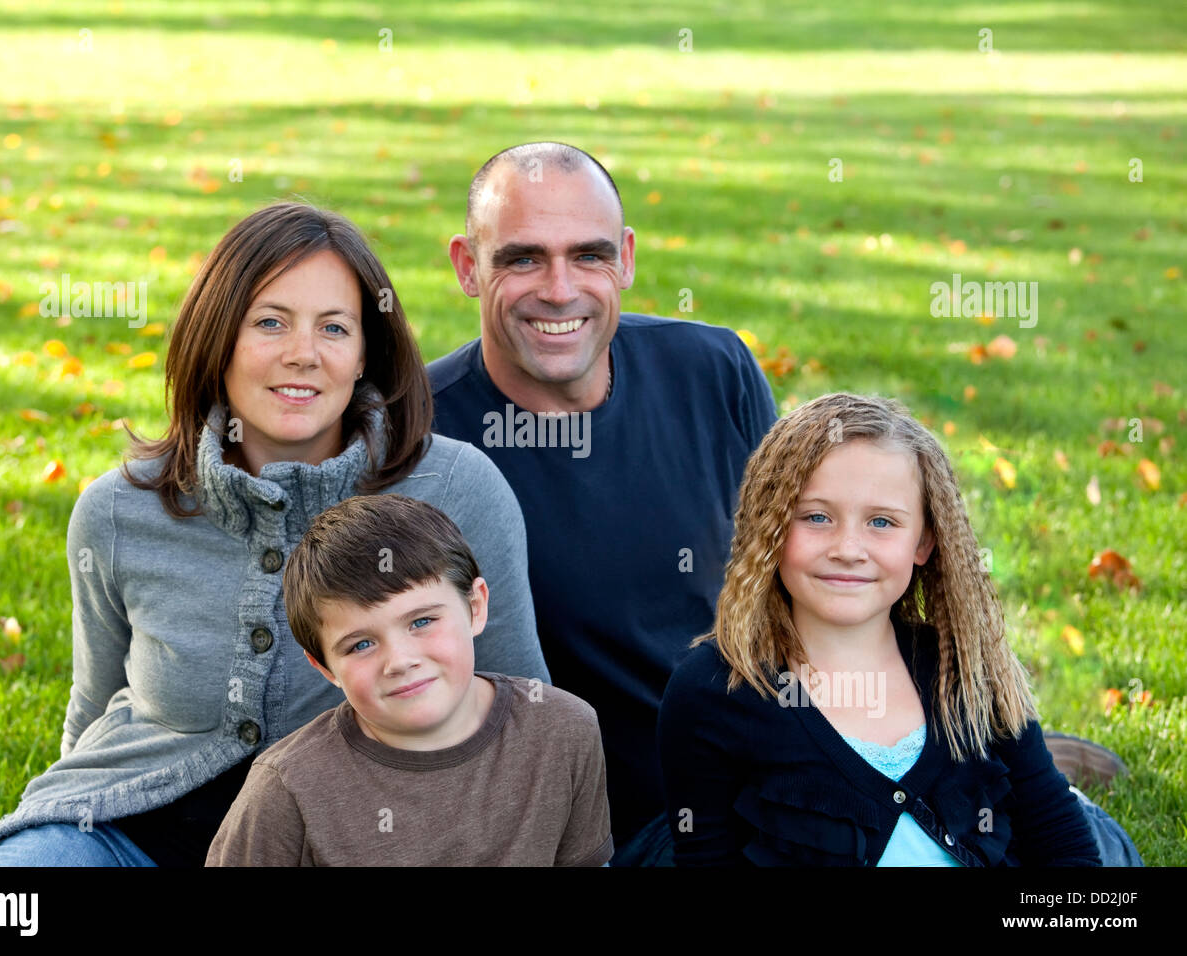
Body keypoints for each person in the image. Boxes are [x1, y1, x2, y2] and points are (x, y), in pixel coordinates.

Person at [0, 202, 548, 867]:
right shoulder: (119, 511)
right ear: (219, 341)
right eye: (270, 323)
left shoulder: (457, 487)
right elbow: (94, 711)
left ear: (363, 355)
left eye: (334, 327)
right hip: (132, 837)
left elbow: (523, 715)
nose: (303, 355)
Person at [428, 141, 779, 864]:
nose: (560, 290)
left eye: (588, 256)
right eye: (522, 259)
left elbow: (802, 588)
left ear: (625, 258)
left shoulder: (714, 370)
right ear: (468, 266)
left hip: (776, 778)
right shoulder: (420, 437)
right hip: (621, 835)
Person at [657, 392, 1142, 866]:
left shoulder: (969, 670)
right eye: (816, 516)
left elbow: (1064, 846)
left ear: (924, 541)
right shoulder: (713, 692)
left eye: (882, 522)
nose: (848, 547)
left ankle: (1074, 787)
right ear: (771, 528)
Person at [206, 494, 613, 866]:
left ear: (475, 607)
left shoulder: (565, 731)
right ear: (325, 668)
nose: (399, 661)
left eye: (422, 621)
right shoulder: (286, 790)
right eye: (361, 644)